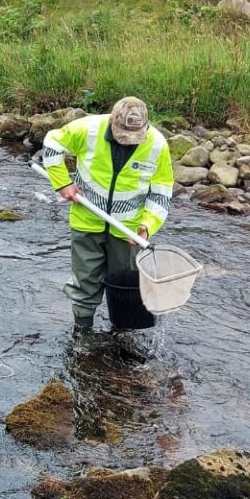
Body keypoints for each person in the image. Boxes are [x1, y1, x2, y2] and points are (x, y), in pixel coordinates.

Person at [40, 97, 174, 335]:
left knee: (123, 286)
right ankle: (82, 332)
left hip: (128, 230)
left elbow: (161, 192)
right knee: (85, 282)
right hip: (86, 221)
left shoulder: (156, 144)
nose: (127, 142)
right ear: (112, 122)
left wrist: (147, 226)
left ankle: (121, 334)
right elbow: (52, 145)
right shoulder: (88, 128)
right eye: (122, 135)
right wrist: (62, 184)